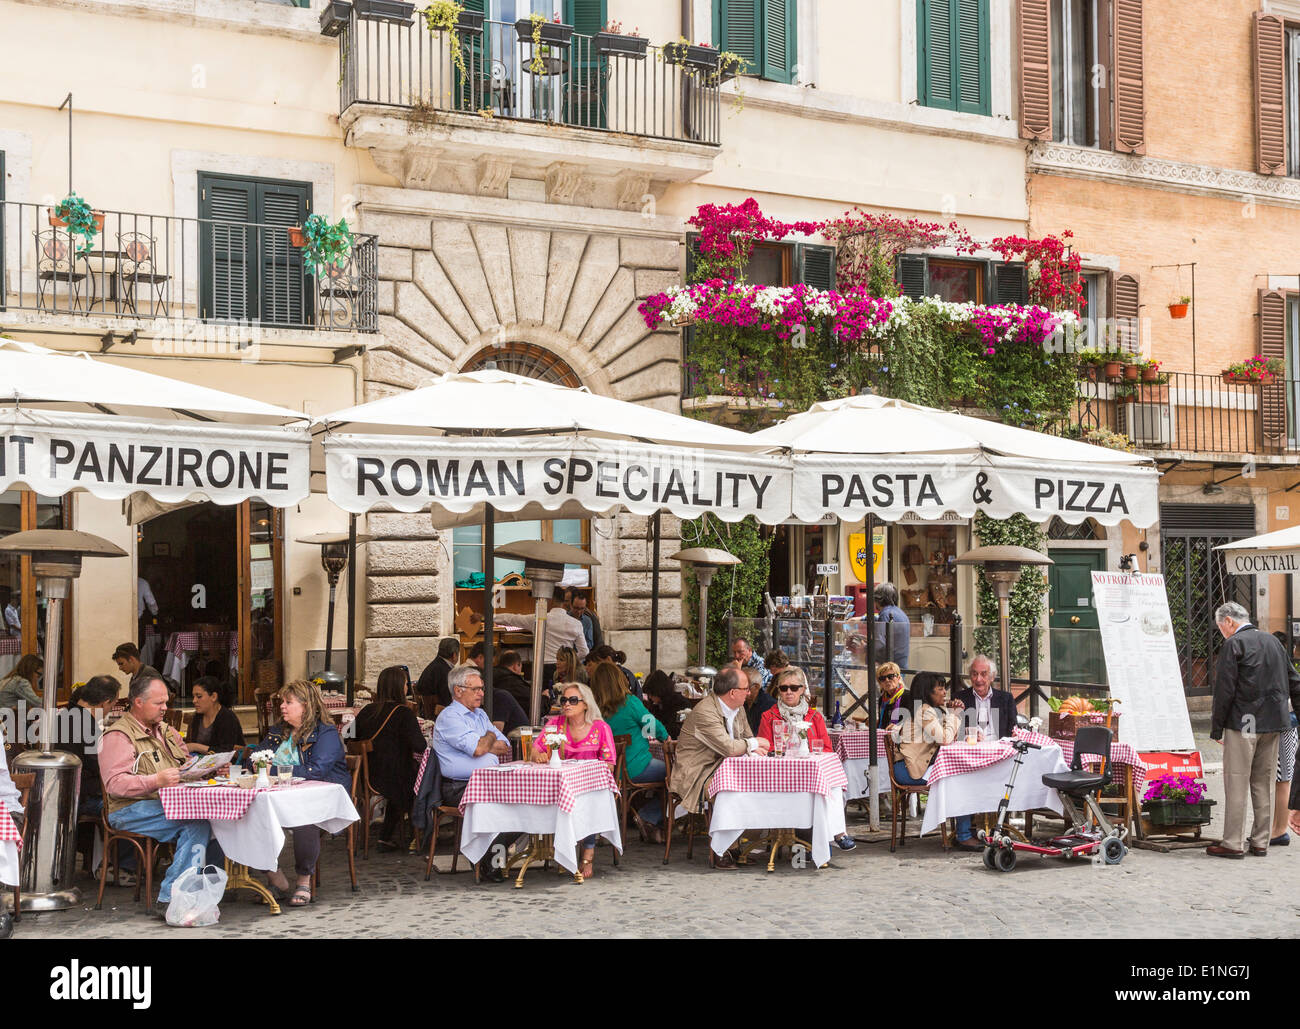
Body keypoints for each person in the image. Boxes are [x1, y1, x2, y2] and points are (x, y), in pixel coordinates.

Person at [99, 676, 213, 915]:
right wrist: (156, 781)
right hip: (128, 809)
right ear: (138, 702)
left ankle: (208, 888)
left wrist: (208, 768)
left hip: (165, 804)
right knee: (196, 824)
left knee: (219, 818)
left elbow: (186, 764)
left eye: (166, 702)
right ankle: (171, 898)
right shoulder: (118, 736)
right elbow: (115, 784)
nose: (165, 708)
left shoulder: (166, 731)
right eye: (159, 703)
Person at [1208, 602, 1300, 858]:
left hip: (1244, 722)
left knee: (1237, 781)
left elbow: (1224, 690)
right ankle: (1261, 841)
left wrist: (1217, 729)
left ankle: (1233, 843)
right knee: (1264, 782)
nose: (1222, 632)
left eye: (1220, 627)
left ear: (1228, 621)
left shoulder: (1233, 644)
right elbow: (1295, 681)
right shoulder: (1273, 642)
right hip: (1273, 722)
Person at [254, 679, 350, 904]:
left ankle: (304, 881)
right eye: (282, 702)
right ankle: (273, 875)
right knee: (248, 816)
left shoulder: (325, 733)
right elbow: (257, 756)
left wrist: (273, 768)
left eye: (288, 702)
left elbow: (316, 770)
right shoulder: (279, 731)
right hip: (281, 795)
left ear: (306, 705)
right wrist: (255, 763)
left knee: (304, 818)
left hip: (322, 798)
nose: (282, 707)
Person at [670, 666, 771, 869]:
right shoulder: (706, 712)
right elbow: (729, 748)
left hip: (725, 768)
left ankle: (735, 845)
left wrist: (751, 745)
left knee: (759, 788)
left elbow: (746, 737)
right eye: (746, 688)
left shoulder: (738, 708)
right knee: (727, 791)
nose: (749, 692)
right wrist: (754, 744)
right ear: (733, 692)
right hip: (697, 773)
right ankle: (721, 850)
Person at [758, 667, 857, 851]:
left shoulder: (814, 716)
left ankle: (838, 834)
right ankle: (826, 840)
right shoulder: (769, 716)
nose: (788, 692)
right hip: (781, 775)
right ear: (778, 690)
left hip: (809, 775)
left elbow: (827, 749)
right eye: (784, 688)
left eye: (794, 688)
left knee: (834, 785)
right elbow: (764, 747)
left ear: (802, 690)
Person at [431, 664, 513, 881]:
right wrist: (487, 739)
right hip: (460, 786)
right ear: (458, 691)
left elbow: (504, 745)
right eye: (476, 689)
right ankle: (490, 862)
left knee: (524, 804)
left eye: (482, 689)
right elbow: (478, 749)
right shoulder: (450, 717)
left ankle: (491, 858)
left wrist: (485, 740)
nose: (481, 693)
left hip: (489, 782)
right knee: (498, 806)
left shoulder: (479, 715)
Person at [531, 681, 615, 878]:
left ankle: (588, 853)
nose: (567, 704)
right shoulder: (555, 725)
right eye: (564, 700)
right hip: (560, 788)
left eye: (573, 700)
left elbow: (609, 763)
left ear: (585, 704)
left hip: (590, 786)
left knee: (588, 801)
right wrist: (539, 756)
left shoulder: (600, 728)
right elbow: (535, 749)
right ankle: (557, 850)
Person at [888, 671, 974, 848]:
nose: (945, 693)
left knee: (960, 777)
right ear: (928, 692)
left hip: (914, 765)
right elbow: (945, 739)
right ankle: (964, 835)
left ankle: (964, 831)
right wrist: (954, 714)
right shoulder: (924, 711)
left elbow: (948, 736)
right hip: (908, 770)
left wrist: (949, 712)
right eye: (940, 689)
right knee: (961, 780)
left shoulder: (929, 709)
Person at [590, 662, 668, 841]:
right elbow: (651, 725)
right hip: (635, 767)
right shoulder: (630, 702)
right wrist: (666, 737)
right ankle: (648, 816)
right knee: (678, 774)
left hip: (605, 772)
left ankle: (647, 819)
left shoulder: (592, 709)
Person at [354, 665, 428, 852]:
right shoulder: (403, 713)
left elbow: (350, 738)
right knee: (421, 780)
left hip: (366, 775)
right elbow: (421, 746)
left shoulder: (367, 710)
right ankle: (419, 835)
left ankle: (387, 836)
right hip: (394, 778)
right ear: (398, 687)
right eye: (405, 684)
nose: (406, 688)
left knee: (406, 777)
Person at [951, 654, 1018, 741]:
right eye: (974, 674)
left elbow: (1013, 730)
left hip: (999, 751)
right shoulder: (959, 698)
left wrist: (1015, 734)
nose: (978, 679)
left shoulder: (1006, 699)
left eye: (983, 674)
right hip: (970, 751)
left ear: (992, 677)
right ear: (970, 676)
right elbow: (954, 733)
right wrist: (968, 737)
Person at [466, 643, 529, 733]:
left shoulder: (500, 697)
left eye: (474, 688)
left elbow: (495, 733)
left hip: (516, 742)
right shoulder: (477, 702)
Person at [184, 676, 245, 756]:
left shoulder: (227, 718)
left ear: (213, 697)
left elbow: (227, 751)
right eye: (193, 696)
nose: (194, 701)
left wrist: (195, 747)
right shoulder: (198, 716)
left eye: (199, 696)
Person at [415, 637, 461, 714]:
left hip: (428, 712)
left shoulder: (435, 665)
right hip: (440, 714)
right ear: (454, 655)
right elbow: (447, 700)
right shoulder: (446, 672)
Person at [872, 582, 911, 669]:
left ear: (879, 599)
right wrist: (862, 618)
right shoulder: (899, 613)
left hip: (890, 667)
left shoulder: (885, 614)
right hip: (900, 664)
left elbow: (879, 643)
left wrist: (864, 647)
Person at [642, 669, 688, 739]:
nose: (650, 697)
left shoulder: (680, 704)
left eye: (651, 694)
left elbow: (676, 730)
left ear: (660, 691)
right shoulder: (656, 704)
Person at [0, 654, 42, 726]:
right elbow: (39, 703)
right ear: (31, 670)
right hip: (13, 727)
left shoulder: (7, 679)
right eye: (39, 675)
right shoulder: (20, 682)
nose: (38, 679)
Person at [876, 662, 907, 733]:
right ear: (880, 683)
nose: (887, 680)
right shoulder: (882, 699)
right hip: (885, 738)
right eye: (882, 678)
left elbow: (917, 723)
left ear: (898, 678)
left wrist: (897, 727)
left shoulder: (909, 696)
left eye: (891, 676)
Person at [744, 665, 775, 734]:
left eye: (745, 687)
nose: (740, 689)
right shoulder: (742, 701)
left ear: (756, 687)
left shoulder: (768, 704)